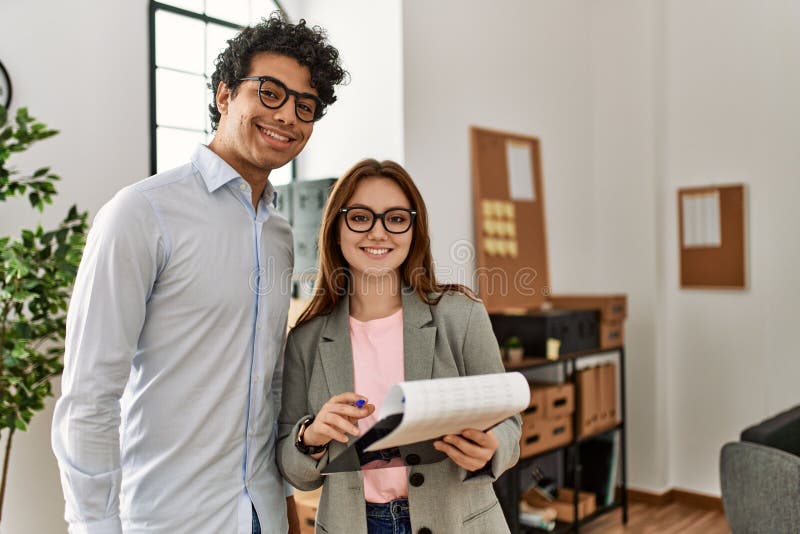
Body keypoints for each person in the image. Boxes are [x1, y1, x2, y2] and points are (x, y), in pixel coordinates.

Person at [51, 14, 346, 534]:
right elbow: (89, 396)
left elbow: (269, 383)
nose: (288, 117)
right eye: (270, 93)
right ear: (225, 94)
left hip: (262, 513)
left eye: (306, 106)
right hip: (171, 517)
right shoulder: (141, 214)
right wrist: (94, 526)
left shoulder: (279, 236)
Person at [277, 159, 521, 533]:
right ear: (336, 230)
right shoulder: (306, 339)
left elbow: (509, 424)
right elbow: (297, 473)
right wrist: (311, 437)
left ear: (413, 229)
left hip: (457, 521)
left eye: (395, 218)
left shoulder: (461, 314)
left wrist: (492, 447)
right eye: (360, 217)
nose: (378, 233)